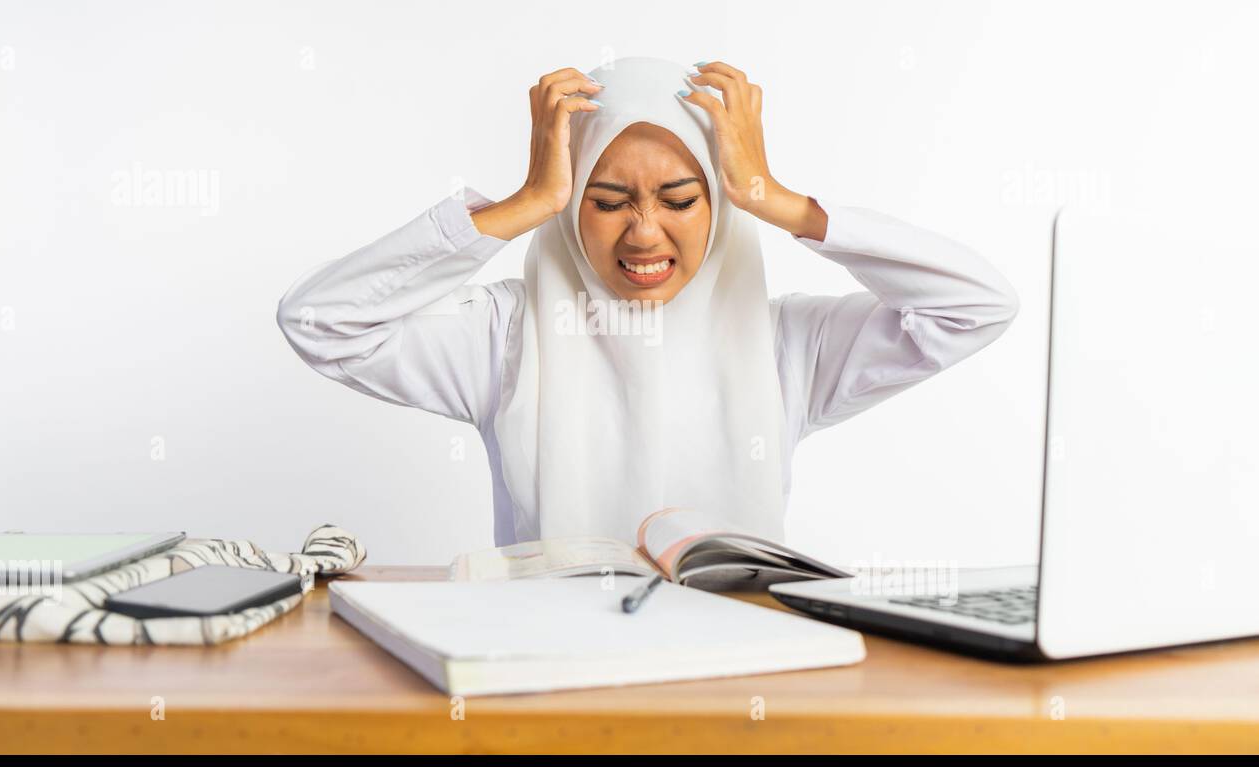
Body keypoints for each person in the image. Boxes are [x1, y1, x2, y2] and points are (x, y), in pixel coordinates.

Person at [276, 57, 1019, 548]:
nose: (643, 232)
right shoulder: (509, 338)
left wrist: (780, 201)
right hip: (552, 695)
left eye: (679, 198)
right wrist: (521, 204)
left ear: (719, 205)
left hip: (732, 694)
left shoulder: (785, 347)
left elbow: (976, 306)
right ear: (570, 206)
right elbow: (320, 322)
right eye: (605, 200)